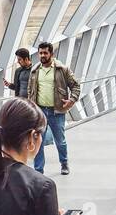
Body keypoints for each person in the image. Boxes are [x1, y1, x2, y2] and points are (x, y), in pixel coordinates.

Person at [26, 41, 81, 175]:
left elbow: (75, 86)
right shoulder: (35, 71)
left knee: (60, 140)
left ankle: (64, 163)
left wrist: (71, 101)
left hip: (56, 111)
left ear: (51, 53)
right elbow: (30, 90)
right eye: (40, 53)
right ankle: (38, 170)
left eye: (45, 53)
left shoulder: (62, 69)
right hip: (39, 112)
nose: (43, 55)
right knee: (38, 141)